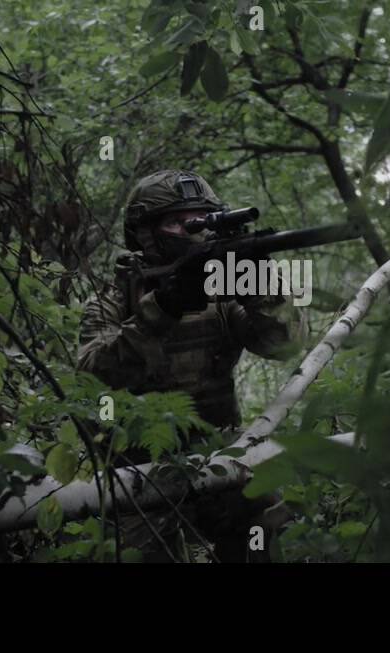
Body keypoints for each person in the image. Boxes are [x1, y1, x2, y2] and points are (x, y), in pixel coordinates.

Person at [77, 169, 305, 562]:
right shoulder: (114, 300)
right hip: (137, 470)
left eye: (200, 219)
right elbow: (92, 374)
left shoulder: (222, 295)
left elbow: (284, 346)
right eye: (176, 222)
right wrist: (163, 307)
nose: (192, 229)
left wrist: (260, 286)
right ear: (145, 234)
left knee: (273, 524)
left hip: (220, 457)